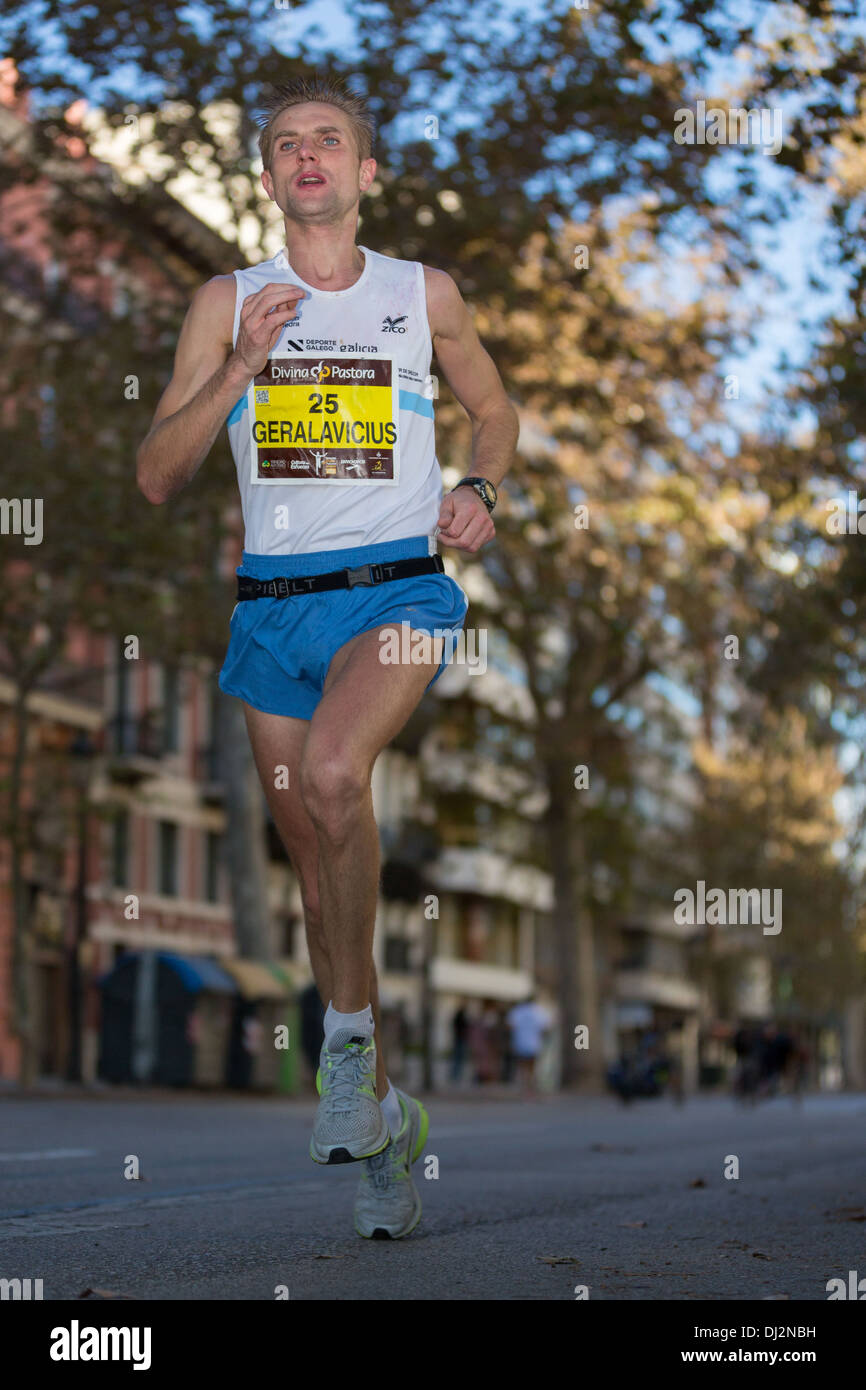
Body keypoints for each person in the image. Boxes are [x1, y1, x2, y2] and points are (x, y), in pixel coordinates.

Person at [136, 76, 517, 1240]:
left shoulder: (422, 294)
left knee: (342, 779)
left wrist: (480, 487)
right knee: (312, 863)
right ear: (266, 178)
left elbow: (493, 411)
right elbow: (157, 474)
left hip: (397, 591)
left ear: (362, 174)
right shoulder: (226, 300)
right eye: (286, 145)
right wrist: (239, 367)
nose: (307, 157)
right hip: (271, 609)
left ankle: (343, 1052)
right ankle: (381, 1116)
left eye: (329, 142)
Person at [506, 994, 551, 1097]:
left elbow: (509, 1026)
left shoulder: (518, 1011)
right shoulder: (538, 1011)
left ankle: (524, 1088)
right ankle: (531, 1089)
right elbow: (546, 1027)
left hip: (520, 1042)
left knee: (522, 1067)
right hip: (534, 1043)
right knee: (533, 1068)